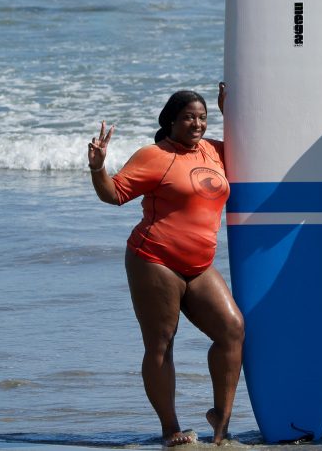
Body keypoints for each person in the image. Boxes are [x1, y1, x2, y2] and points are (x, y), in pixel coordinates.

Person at [88, 86, 243, 447]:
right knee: (161, 343)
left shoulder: (215, 150)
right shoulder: (154, 156)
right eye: (189, 116)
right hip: (154, 259)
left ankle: (220, 419)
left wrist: (230, 112)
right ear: (171, 120)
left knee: (232, 329)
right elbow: (113, 195)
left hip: (200, 265)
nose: (197, 123)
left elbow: (249, 142)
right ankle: (170, 428)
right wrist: (98, 166)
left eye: (202, 117)